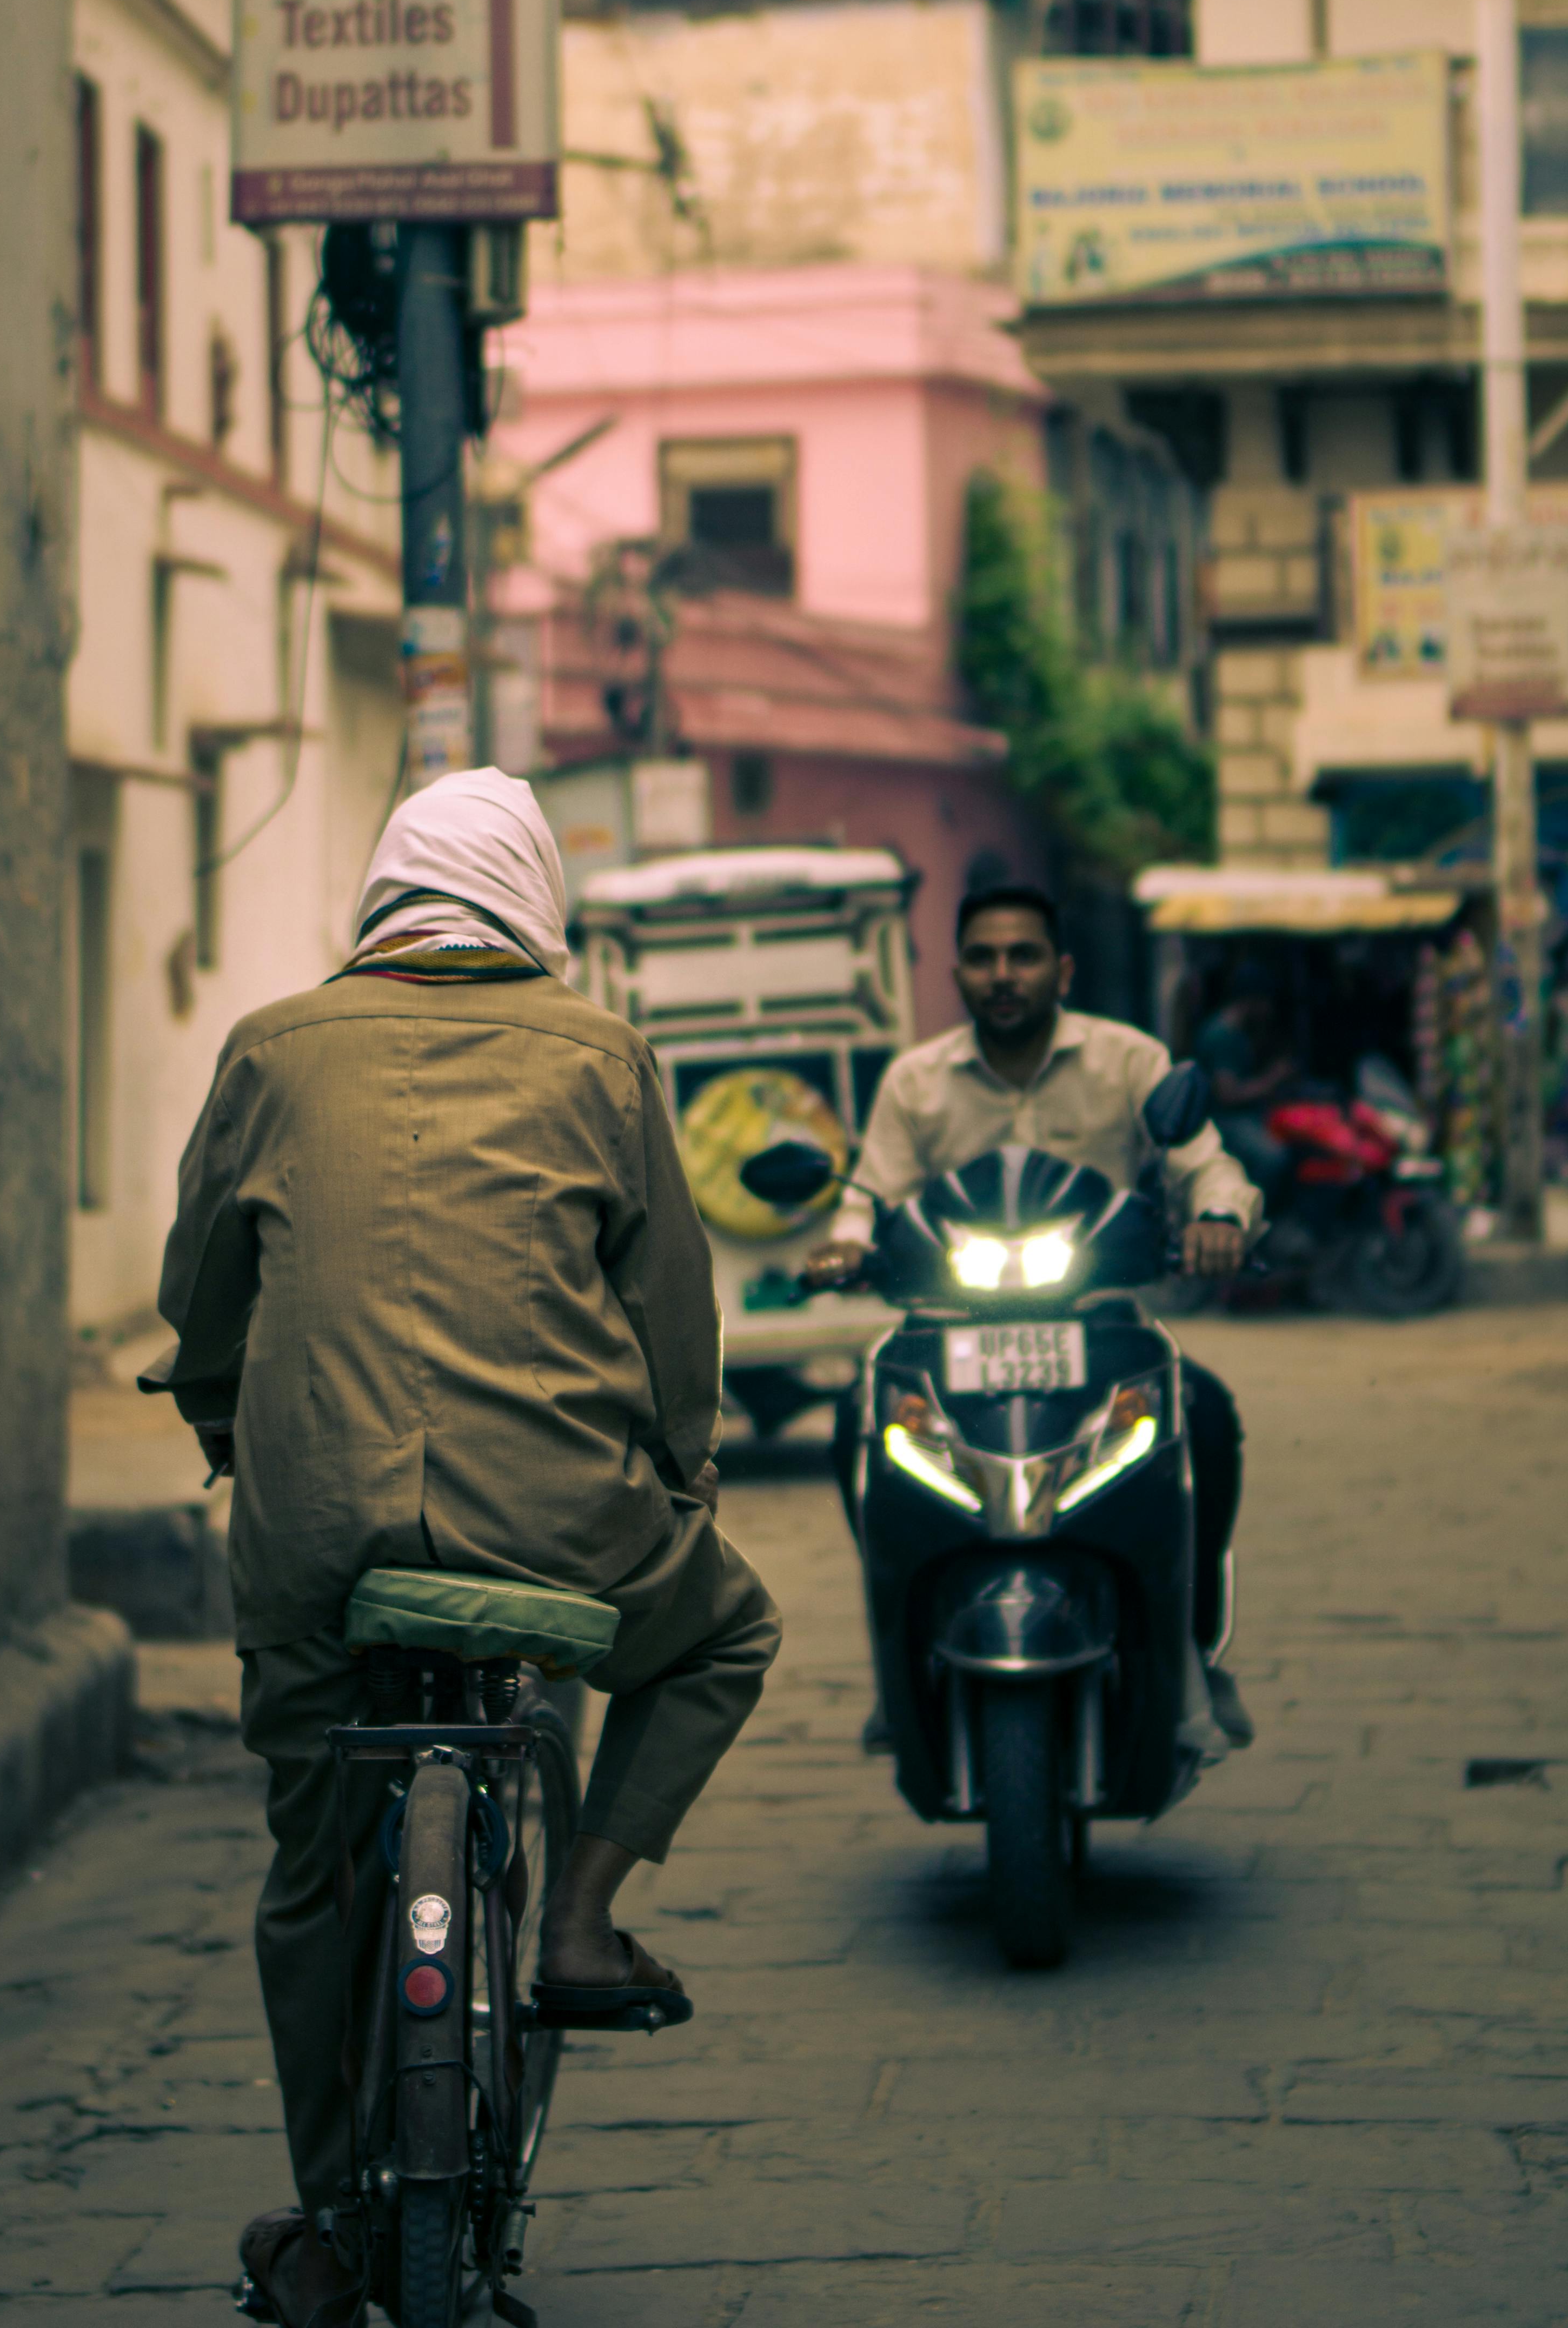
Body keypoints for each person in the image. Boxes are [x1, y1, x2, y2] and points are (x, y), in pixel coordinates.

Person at [149, 768, 780, 2328]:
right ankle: (579, 1919)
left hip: (316, 1541)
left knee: (312, 1865)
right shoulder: (605, 1056)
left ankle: (327, 2216)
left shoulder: (270, 1050)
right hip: (565, 1526)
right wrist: (683, 1470)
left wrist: (226, 1422)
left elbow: (204, 1299)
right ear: (532, 901)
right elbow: (673, 1315)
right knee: (728, 1630)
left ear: (385, 897)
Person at [809, 883, 1259, 1750]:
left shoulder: (1130, 1061)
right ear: (959, 975)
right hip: (949, 1328)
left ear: (1063, 970)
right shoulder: (915, 1081)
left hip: (1099, 1323)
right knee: (856, 1423)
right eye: (983, 958)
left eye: (1023, 955)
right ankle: (907, 1651)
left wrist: (1219, 1218)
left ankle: (1197, 1645)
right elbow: (870, 1193)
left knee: (1204, 1416)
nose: (1003, 974)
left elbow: (1206, 1162)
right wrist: (846, 1244)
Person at [1194, 956, 1297, 1213]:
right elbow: (1228, 1095)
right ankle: (1251, 1213)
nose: (1269, 1010)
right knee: (1273, 1157)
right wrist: (1273, 1078)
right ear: (1252, 1000)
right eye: (1266, 1002)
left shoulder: (1240, 1032)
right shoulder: (1223, 1035)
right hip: (1225, 1120)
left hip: (1246, 1115)